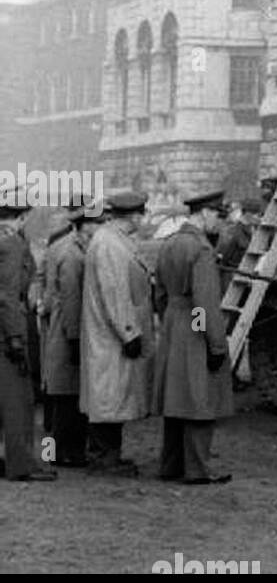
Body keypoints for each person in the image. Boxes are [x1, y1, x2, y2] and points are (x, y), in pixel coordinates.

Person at [153, 190, 234, 485]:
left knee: (176, 398)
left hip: (174, 324)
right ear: (205, 213)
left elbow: (159, 294)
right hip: (194, 325)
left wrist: (171, 320)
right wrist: (213, 342)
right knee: (201, 399)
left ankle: (170, 465)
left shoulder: (170, 243)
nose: (220, 223)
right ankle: (198, 469)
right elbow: (205, 302)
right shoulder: (200, 249)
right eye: (218, 216)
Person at [80, 190, 154, 477]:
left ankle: (108, 455)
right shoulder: (109, 244)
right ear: (134, 215)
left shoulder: (113, 240)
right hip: (112, 337)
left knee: (113, 399)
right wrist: (129, 333)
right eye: (141, 213)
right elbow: (114, 294)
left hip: (110, 336)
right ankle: (103, 459)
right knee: (108, 399)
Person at [0, 190, 56, 481]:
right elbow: (7, 296)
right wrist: (15, 338)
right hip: (8, 329)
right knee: (18, 401)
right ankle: (21, 465)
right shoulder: (12, 244)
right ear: (22, 217)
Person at [41, 198, 92, 467]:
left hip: (56, 327)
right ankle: (63, 454)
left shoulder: (60, 246)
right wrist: (74, 338)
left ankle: (55, 454)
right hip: (66, 331)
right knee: (67, 399)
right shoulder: (73, 254)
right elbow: (72, 298)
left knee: (58, 397)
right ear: (86, 225)